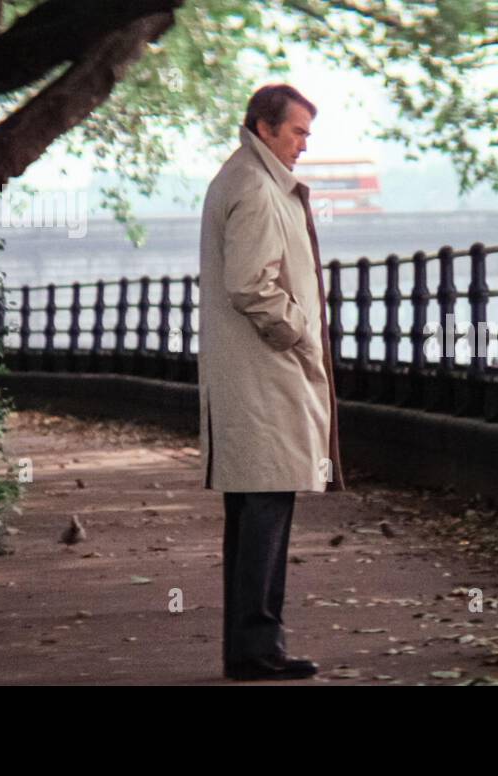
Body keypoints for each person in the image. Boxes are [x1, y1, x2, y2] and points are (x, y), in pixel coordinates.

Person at [197, 83, 345, 681]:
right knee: (264, 508)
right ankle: (258, 650)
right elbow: (251, 284)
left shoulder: (245, 178)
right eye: (298, 132)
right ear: (265, 127)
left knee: (257, 509)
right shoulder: (256, 186)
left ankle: (252, 647)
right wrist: (300, 334)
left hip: (256, 376)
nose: (304, 144)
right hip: (265, 375)